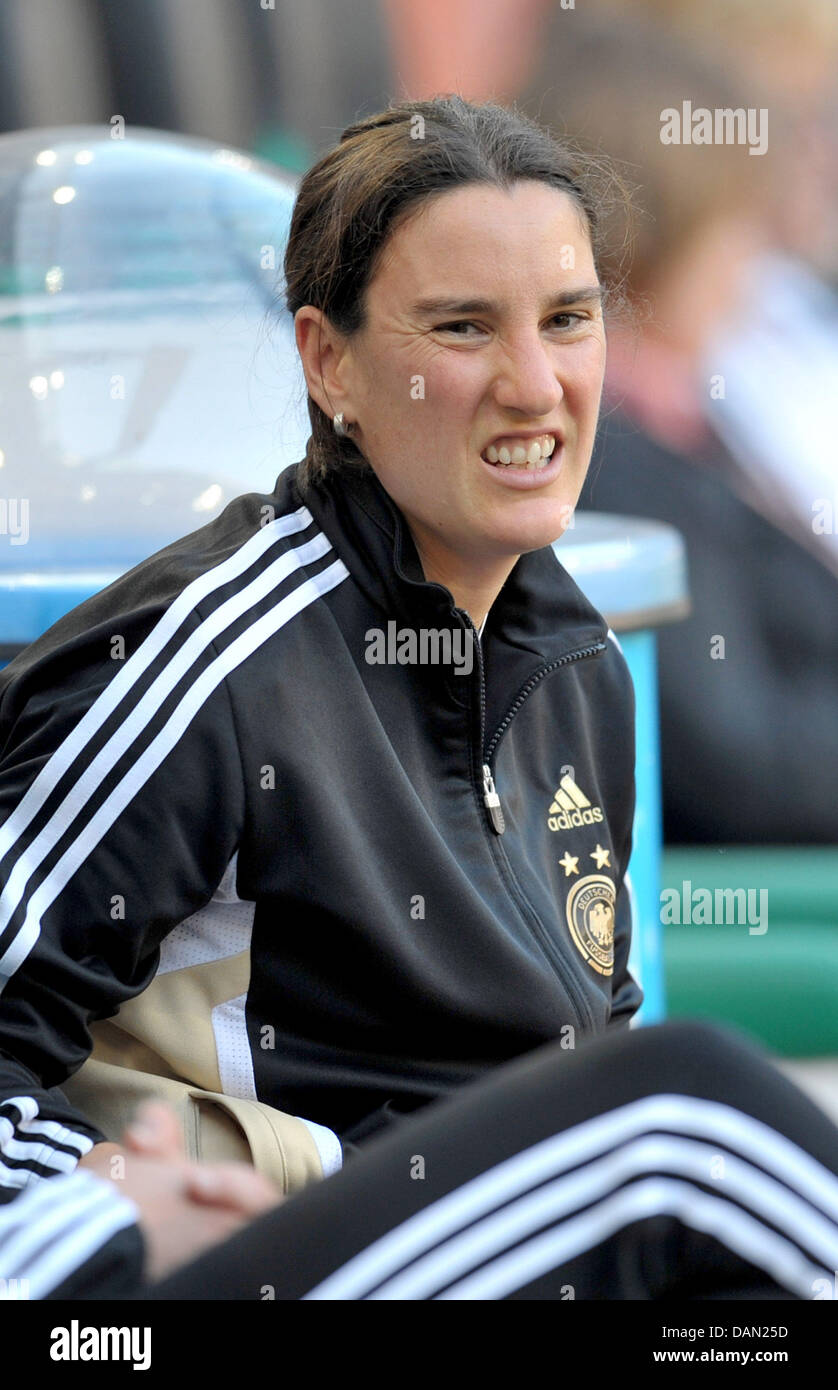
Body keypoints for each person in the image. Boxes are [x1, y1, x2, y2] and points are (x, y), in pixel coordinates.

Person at [0, 96, 641, 1199]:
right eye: (462, 326)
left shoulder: (579, 663)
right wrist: (149, 1213)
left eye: (568, 319)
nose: (535, 385)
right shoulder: (206, 659)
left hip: (512, 1235)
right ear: (328, 364)